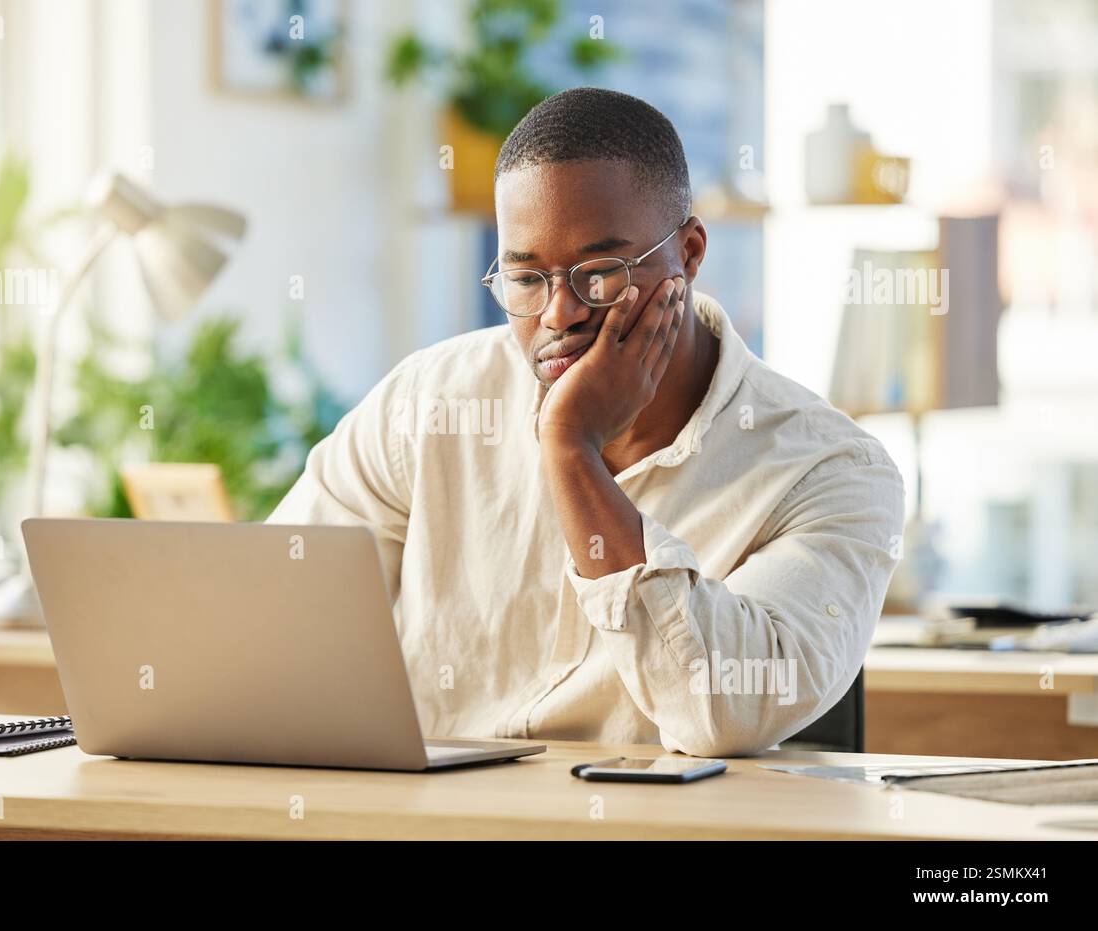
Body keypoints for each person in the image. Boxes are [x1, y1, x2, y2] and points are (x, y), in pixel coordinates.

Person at [269, 87, 905, 756]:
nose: (558, 313)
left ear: (689, 254)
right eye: (526, 278)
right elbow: (272, 616)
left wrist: (572, 449)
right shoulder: (428, 405)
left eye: (599, 272)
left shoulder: (830, 471)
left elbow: (726, 710)